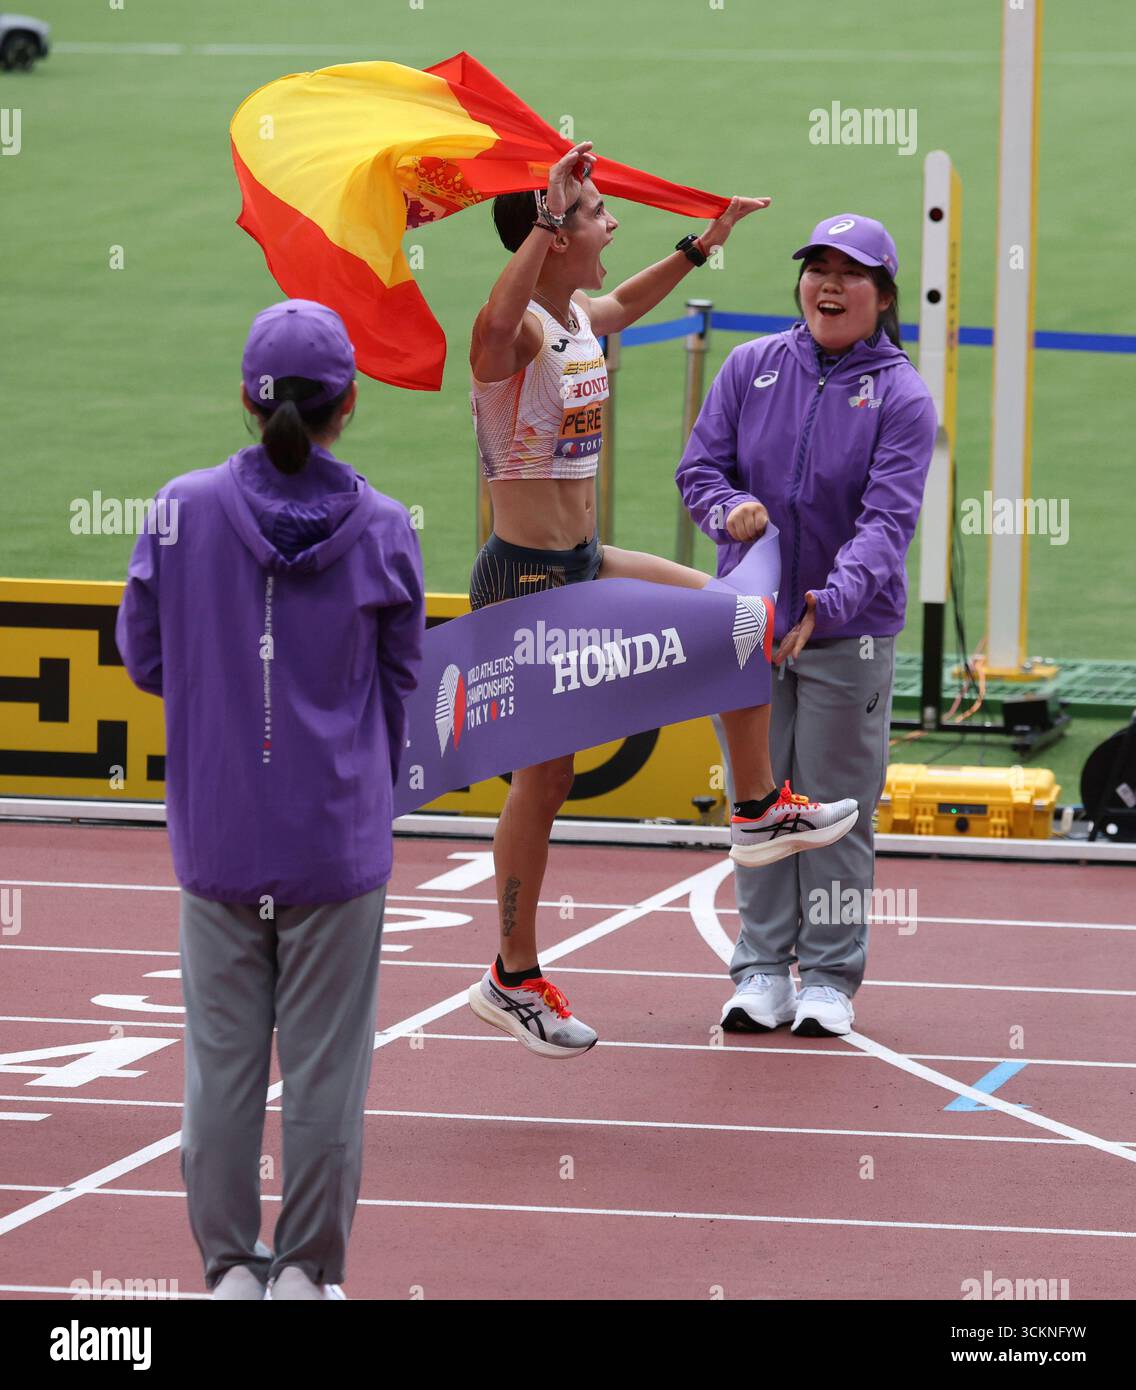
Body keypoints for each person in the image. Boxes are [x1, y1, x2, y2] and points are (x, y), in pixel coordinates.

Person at [465, 143, 857, 1059]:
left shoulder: (572, 318)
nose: (611, 222)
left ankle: (758, 807)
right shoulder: (513, 331)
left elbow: (625, 303)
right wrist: (550, 215)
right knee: (546, 780)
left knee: (736, 622)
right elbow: (493, 315)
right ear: (553, 236)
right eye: (597, 213)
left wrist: (704, 243)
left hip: (584, 562)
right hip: (525, 583)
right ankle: (512, 977)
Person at [116, 299, 425, 1299]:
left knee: (220, 1074)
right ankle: (307, 1273)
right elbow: (400, 675)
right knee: (326, 1078)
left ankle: (228, 1271)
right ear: (350, 402)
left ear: (244, 401)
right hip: (335, 841)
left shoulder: (179, 508)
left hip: (217, 838)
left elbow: (145, 657)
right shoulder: (381, 527)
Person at [676, 214, 937, 1038]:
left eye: (851, 273)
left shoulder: (902, 395)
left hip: (844, 636)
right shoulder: (752, 365)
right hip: (750, 629)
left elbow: (886, 525)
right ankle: (760, 970)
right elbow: (699, 470)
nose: (829, 284)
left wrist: (828, 602)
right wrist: (731, 510)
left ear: (883, 295)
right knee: (759, 807)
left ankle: (827, 977)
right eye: (817, 268)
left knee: (832, 808)